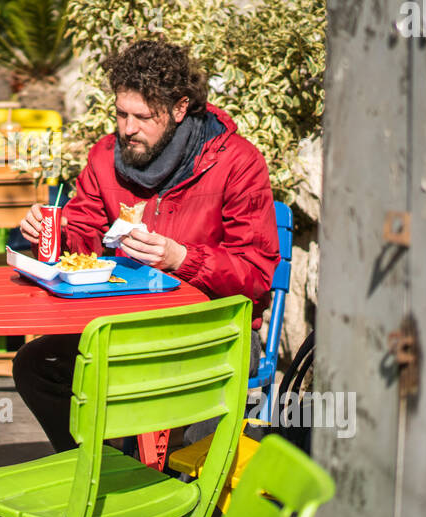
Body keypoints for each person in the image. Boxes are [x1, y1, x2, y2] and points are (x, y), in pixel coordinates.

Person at [14, 39, 280, 454]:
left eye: (142, 117)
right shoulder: (106, 156)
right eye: (121, 114)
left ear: (179, 109)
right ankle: (97, 474)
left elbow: (256, 273)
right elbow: (83, 233)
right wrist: (54, 231)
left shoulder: (236, 162)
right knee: (38, 364)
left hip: (213, 333)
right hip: (125, 327)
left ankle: (177, 499)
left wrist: (183, 259)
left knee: (188, 444)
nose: (127, 128)